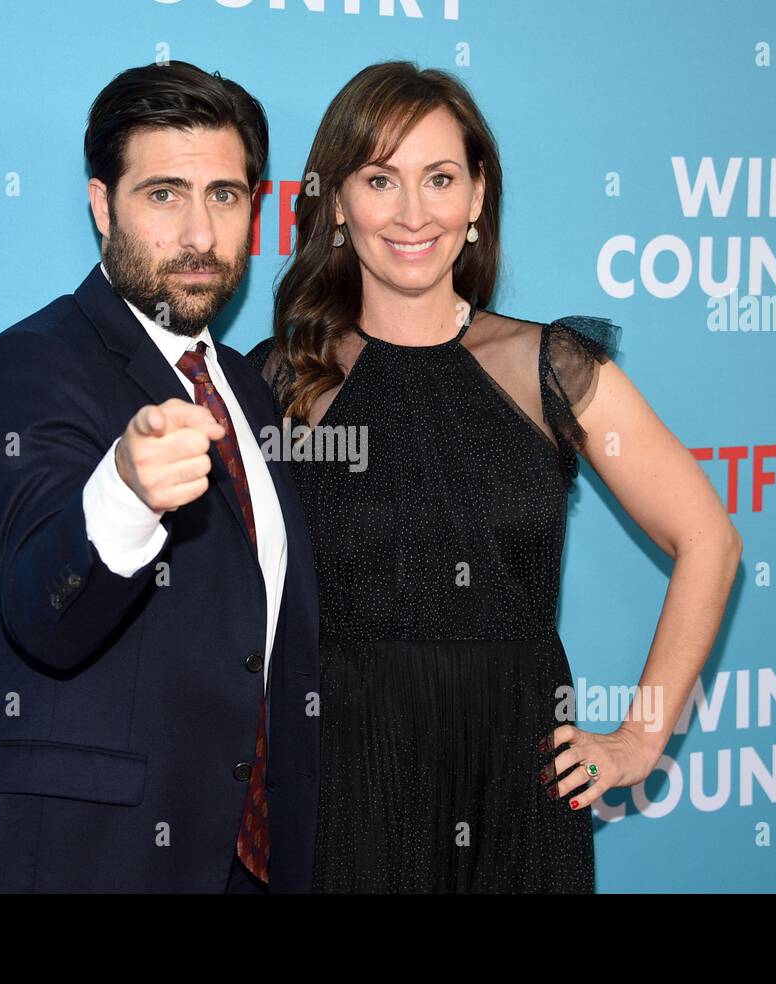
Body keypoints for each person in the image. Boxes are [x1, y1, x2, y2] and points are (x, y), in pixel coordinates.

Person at [248, 61, 741, 892]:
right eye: (380, 179)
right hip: (345, 787)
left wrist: (640, 737)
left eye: (440, 178)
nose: (412, 213)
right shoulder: (284, 386)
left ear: (478, 196)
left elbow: (709, 541)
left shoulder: (549, 369)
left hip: (522, 783)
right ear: (337, 201)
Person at [0, 61, 319, 893]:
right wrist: (124, 493)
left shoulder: (247, 387)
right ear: (102, 204)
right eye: (164, 195)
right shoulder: (27, 370)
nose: (201, 236)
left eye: (226, 196)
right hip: (74, 860)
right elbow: (44, 610)